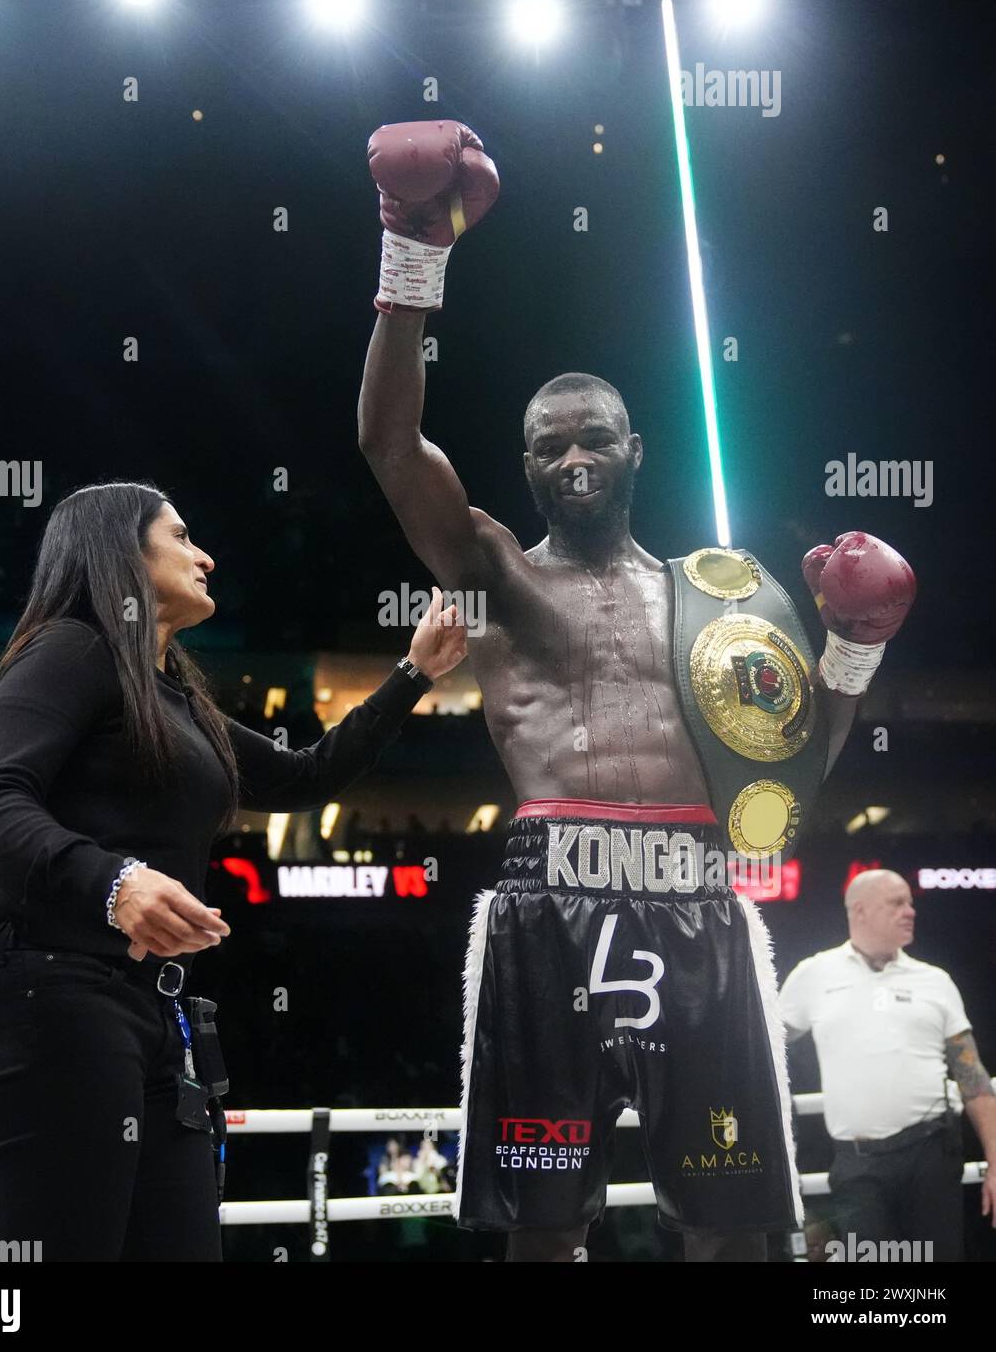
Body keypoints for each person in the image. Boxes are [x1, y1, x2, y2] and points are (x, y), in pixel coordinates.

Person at [357, 119, 916, 1261]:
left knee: (731, 1228)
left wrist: (851, 648)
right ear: (525, 465)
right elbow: (388, 443)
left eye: (593, 440)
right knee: (542, 1230)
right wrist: (412, 252)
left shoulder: (717, 603)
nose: (572, 459)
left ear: (634, 449)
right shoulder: (495, 574)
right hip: (546, 908)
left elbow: (789, 773)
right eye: (548, 446)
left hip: (697, 903)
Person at [0, 481, 465, 1261]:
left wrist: (413, 673)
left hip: (159, 1014)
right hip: (54, 998)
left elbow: (304, 777)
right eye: (182, 536)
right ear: (123, 554)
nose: (206, 556)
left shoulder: (176, 696)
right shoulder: (71, 649)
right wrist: (114, 883)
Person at [779, 869, 996, 1261]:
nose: (910, 911)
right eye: (897, 903)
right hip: (857, 1162)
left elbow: (973, 1078)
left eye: (909, 903)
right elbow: (767, 1046)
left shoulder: (935, 981)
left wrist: (995, 1161)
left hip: (931, 1153)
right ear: (860, 911)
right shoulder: (815, 974)